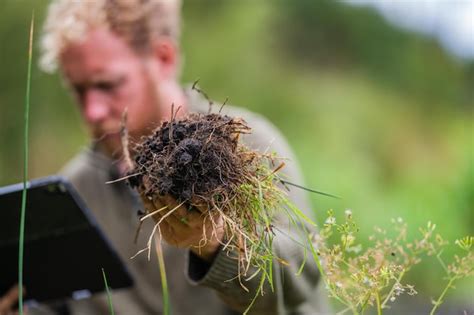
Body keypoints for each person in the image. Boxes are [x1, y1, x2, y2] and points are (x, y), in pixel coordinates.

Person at [2, 0, 329, 314]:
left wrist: (214, 244)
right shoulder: (73, 192)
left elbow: (299, 278)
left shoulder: (245, 147)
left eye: (108, 84)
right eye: (78, 89)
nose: (93, 111)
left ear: (163, 58)